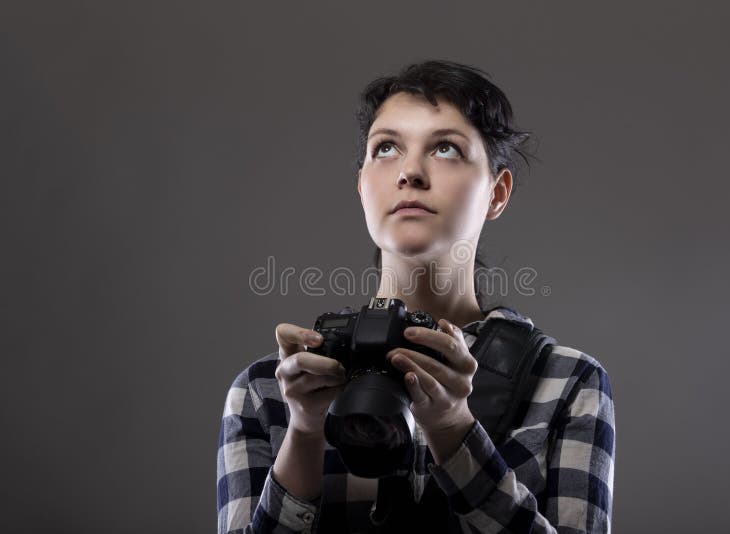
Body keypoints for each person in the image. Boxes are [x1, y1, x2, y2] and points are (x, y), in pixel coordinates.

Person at [217, 59, 615, 533]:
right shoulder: (269, 390)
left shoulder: (564, 383)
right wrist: (304, 432)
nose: (409, 172)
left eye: (446, 148)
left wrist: (453, 428)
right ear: (361, 186)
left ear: (497, 192)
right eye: (386, 148)